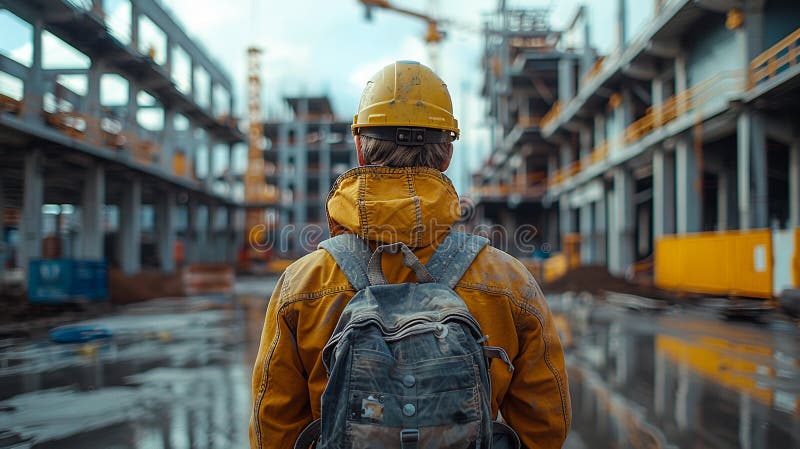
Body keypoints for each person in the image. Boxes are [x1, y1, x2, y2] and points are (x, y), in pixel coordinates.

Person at [249, 61, 570, 449]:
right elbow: (545, 428)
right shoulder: (509, 283)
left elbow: (273, 431)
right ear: (447, 154)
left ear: (360, 150)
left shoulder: (303, 285)